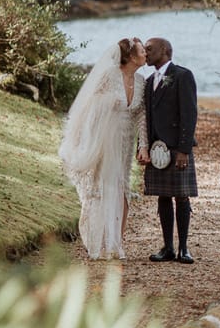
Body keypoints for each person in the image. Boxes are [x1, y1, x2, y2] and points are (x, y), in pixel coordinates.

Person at [58, 37, 149, 260]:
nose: (146, 53)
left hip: (126, 141)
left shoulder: (141, 81)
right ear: (130, 57)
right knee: (101, 187)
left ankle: (116, 242)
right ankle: (96, 241)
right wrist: (108, 102)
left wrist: (144, 145)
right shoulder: (109, 76)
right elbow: (89, 103)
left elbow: (141, 115)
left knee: (123, 189)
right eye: (142, 50)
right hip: (104, 139)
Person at [139, 37, 198, 264]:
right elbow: (146, 118)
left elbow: (190, 114)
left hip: (177, 148)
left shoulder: (183, 75)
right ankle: (168, 247)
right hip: (157, 150)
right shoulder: (149, 80)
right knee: (162, 197)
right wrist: (144, 148)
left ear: (165, 50)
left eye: (150, 49)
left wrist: (184, 150)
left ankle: (184, 248)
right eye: (144, 49)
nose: (146, 53)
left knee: (182, 197)